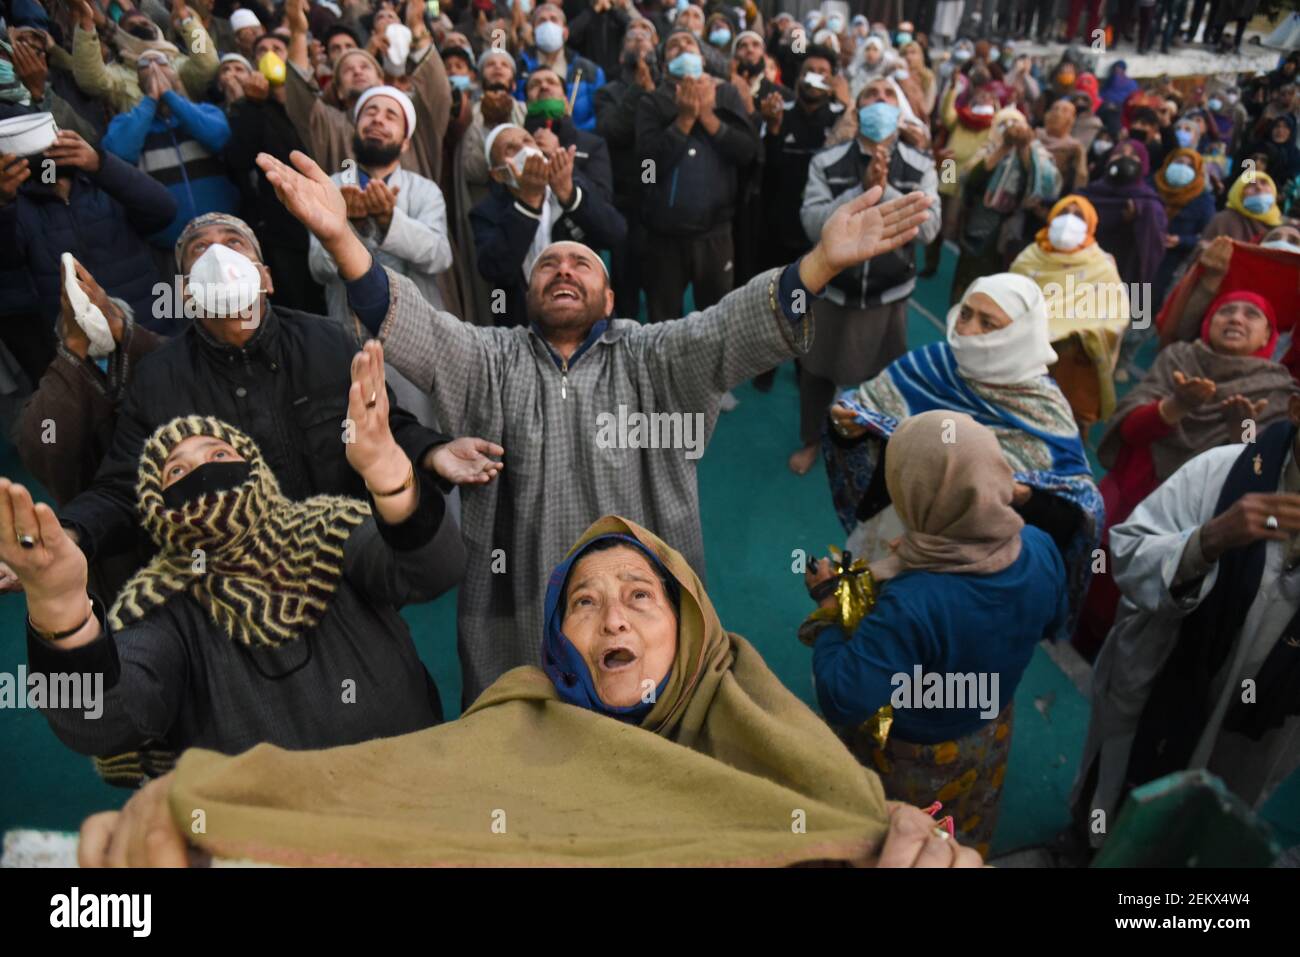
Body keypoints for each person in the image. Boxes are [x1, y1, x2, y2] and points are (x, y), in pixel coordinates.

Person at [257, 145, 933, 702]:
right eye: (547, 265)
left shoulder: (654, 355)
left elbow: (727, 330)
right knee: (521, 753)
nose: (563, 270)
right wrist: (341, 235)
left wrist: (817, 266)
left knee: (651, 750)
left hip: (645, 610)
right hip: (517, 611)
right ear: (527, 297)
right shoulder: (488, 359)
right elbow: (413, 324)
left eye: (582, 263)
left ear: (609, 297)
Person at [74, 515, 983, 868]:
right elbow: (387, 795)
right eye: (582, 605)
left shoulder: (762, 717)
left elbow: (862, 829)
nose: (612, 620)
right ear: (557, 641)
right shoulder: (516, 715)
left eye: (639, 596)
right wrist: (217, 811)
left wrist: (914, 846)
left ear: (693, 621)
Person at [0, 348, 464, 785]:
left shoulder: (330, 529)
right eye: (177, 472)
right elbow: (104, 722)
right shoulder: (162, 604)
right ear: (155, 508)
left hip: (407, 783)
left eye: (220, 456)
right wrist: (61, 610)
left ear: (256, 469)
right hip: (267, 832)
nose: (203, 472)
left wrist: (388, 475)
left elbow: (433, 569)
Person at [42, 213, 493, 576]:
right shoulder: (158, 378)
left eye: (234, 243)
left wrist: (432, 453)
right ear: (186, 294)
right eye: (200, 249)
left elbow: (387, 428)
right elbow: (127, 486)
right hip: (231, 585)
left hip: (341, 568)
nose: (218, 253)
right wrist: (70, 532)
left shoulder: (327, 342)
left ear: (267, 278)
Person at [806, 411, 1068, 858]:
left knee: (897, 835)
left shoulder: (912, 601)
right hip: (985, 727)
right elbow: (1050, 621)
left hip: (914, 746)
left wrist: (832, 606)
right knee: (957, 822)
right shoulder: (1040, 546)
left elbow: (844, 696)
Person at [1074, 401, 1300, 847]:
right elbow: (1128, 553)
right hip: (1159, 676)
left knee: (1200, 835)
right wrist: (1208, 540)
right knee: (1110, 807)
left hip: (1256, 733)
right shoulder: (1223, 472)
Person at [825, 274, 1103, 626]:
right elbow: (871, 430)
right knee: (849, 619)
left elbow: (1075, 516)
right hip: (887, 528)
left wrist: (1020, 496)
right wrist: (846, 430)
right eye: (966, 313)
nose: (968, 331)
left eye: (989, 323)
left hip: (961, 568)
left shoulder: (1045, 409)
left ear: (1022, 334)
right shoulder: (931, 364)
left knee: (911, 646)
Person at [1074, 290, 1298, 658]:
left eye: (1251, 315)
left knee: (1150, 619)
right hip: (1128, 503)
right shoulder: (1178, 358)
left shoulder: (1278, 392)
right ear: (1209, 323)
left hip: (1192, 526)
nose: (1236, 318)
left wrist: (1241, 432)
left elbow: (1264, 471)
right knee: (1095, 592)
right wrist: (1176, 405)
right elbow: (1126, 430)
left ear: (1268, 337)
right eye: (1226, 310)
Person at [790, 77, 941, 475]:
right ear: (856, 109)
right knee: (817, 374)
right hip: (833, 293)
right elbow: (811, 223)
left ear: (899, 108)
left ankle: (867, 447)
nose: (880, 100)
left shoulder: (922, 165)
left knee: (882, 382)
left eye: (889, 94)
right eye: (871, 94)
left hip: (888, 297)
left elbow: (928, 230)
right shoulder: (826, 161)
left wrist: (885, 190)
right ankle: (811, 441)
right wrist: (861, 190)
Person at [0, 128, 178, 348]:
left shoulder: (104, 184)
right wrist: (3, 203)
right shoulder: (18, 206)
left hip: (150, 328)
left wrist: (99, 163)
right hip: (86, 347)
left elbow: (164, 210)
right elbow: (8, 260)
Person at [635, 28, 758, 325]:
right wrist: (684, 120)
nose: (682, 49)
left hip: (715, 234)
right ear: (664, 67)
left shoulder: (725, 93)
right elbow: (647, 170)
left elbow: (748, 152)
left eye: (688, 43)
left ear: (702, 58)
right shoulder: (651, 103)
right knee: (662, 324)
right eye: (673, 47)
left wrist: (708, 118)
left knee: (717, 322)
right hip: (664, 237)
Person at [308, 84, 453, 323]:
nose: (377, 120)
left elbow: (439, 257)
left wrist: (389, 223)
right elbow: (318, 268)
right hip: (349, 329)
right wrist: (350, 229)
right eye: (370, 112)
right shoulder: (329, 187)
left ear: (405, 143)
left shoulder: (425, 190)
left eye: (390, 116)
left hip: (418, 328)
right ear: (355, 130)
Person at [469, 123, 624, 327]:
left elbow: (616, 233)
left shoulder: (570, 184)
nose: (525, 151)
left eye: (527, 141)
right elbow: (495, 269)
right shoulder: (486, 212)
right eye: (511, 149)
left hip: (585, 323)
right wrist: (529, 202)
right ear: (498, 174)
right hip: (524, 326)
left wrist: (569, 196)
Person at [100, 49, 240, 258]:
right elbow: (119, 153)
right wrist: (150, 101)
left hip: (223, 234)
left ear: (175, 75)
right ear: (139, 84)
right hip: (167, 246)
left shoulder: (205, 110)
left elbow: (218, 137)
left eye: (161, 63)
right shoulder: (126, 122)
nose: (154, 67)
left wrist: (170, 97)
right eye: (145, 66)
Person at [1008, 194, 1130, 429]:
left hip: (1070, 363)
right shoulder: (1030, 256)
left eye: (1078, 216)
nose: (1069, 221)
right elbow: (1009, 299)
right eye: (1064, 213)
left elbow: (1116, 315)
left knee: (1061, 423)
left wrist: (1080, 333)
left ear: (1090, 225)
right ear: (1052, 216)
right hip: (1024, 355)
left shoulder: (1102, 265)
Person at [951, 106, 1061, 301]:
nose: (1011, 128)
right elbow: (969, 179)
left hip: (1012, 228)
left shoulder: (1036, 155)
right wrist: (1003, 149)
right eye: (1004, 123)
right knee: (968, 271)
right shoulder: (989, 148)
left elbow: (1043, 187)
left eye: (1016, 123)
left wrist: (1024, 149)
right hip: (980, 221)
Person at [69, 0, 218, 114]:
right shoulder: (119, 74)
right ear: (123, 34)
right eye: (131, 25)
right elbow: (91, 80)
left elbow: (207, 65)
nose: (139, 25)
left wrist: (186, 19)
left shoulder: (178, 61)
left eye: (144, 22)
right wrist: (87, 23)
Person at [1081, 140, 1168, 293]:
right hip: (1083, 271)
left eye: (1134, 156)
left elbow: (1152, 249)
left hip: (1125, 277)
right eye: (1119, 154)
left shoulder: (1149, 203)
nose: (1125, 159)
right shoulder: (1088, 194)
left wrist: (1138, 220)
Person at [515, 4, 605, 132]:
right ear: (533, 33)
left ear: (565, 32)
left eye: (553, 19)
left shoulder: (590, 71)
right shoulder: (519, 68)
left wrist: (572, 134)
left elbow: (599, 117)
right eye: (542, 21)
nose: (548, 24)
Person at [1152, 145, 1215, 305]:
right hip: (1139, 252)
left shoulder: (1203, 200)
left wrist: (1181, 240)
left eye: (1190, 166)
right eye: (1179, 162)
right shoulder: (1151, 186)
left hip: (1171, 260)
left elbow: (1206, 237)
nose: (1183, 168)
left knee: (1146, 306)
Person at [1202, 170, 1283, 243]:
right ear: (1238, 193)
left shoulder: (1283, 226)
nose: (1259, 187)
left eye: (1264, 183)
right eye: (1250, 184)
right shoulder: (1224, 221)